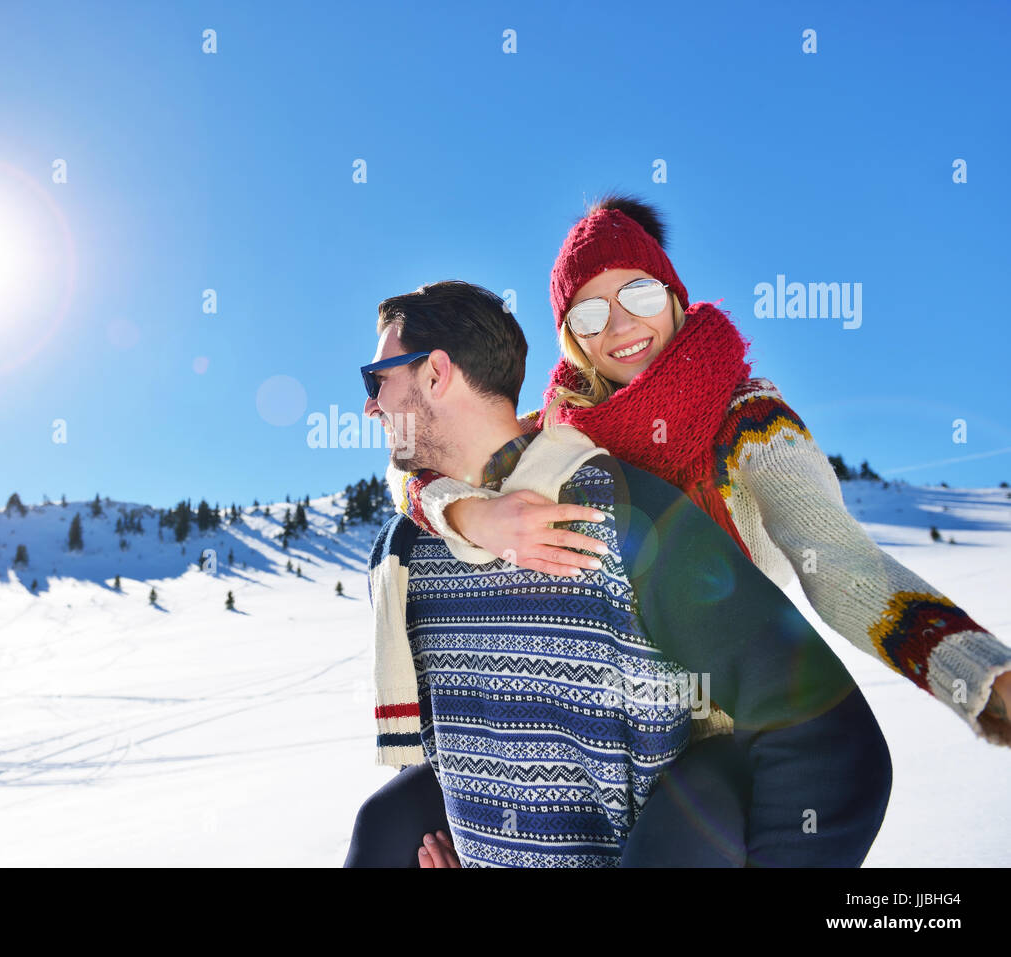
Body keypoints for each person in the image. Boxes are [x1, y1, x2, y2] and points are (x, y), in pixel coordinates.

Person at [354, 194, 1011, 868]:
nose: (620, 325)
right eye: (589, 312)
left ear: (671, 292)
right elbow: (434, 454)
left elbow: (839, 566)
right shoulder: (561, 430)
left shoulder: (746, 422)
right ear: (573, 337)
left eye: (636, 292)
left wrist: (977, 672)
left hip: (723, 731)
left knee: (680, 829)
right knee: (387, 823)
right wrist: (470, 513)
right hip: (605, 735)